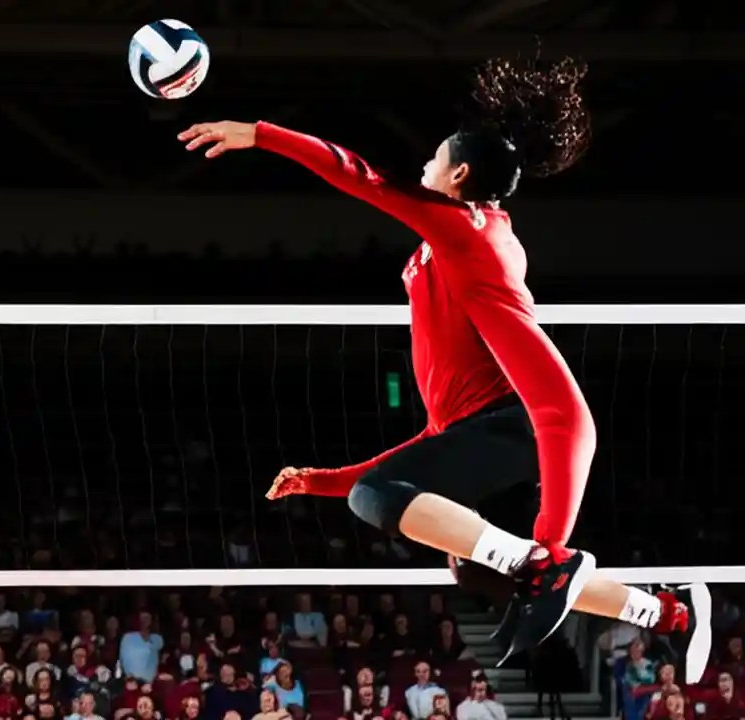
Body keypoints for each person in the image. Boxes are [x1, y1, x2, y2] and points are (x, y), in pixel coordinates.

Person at [178, 54, 710, 681]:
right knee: (493, 568)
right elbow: (441, 433)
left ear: (458, 174)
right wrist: (324, 481)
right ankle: (669, 614)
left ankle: (556, 566)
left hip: (518, 425)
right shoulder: (466, 236)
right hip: (487, 428)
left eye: (433, 159)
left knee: (386, 502)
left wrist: (261, 134)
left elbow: (363, 177)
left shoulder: (465, 228)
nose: (422, 168)